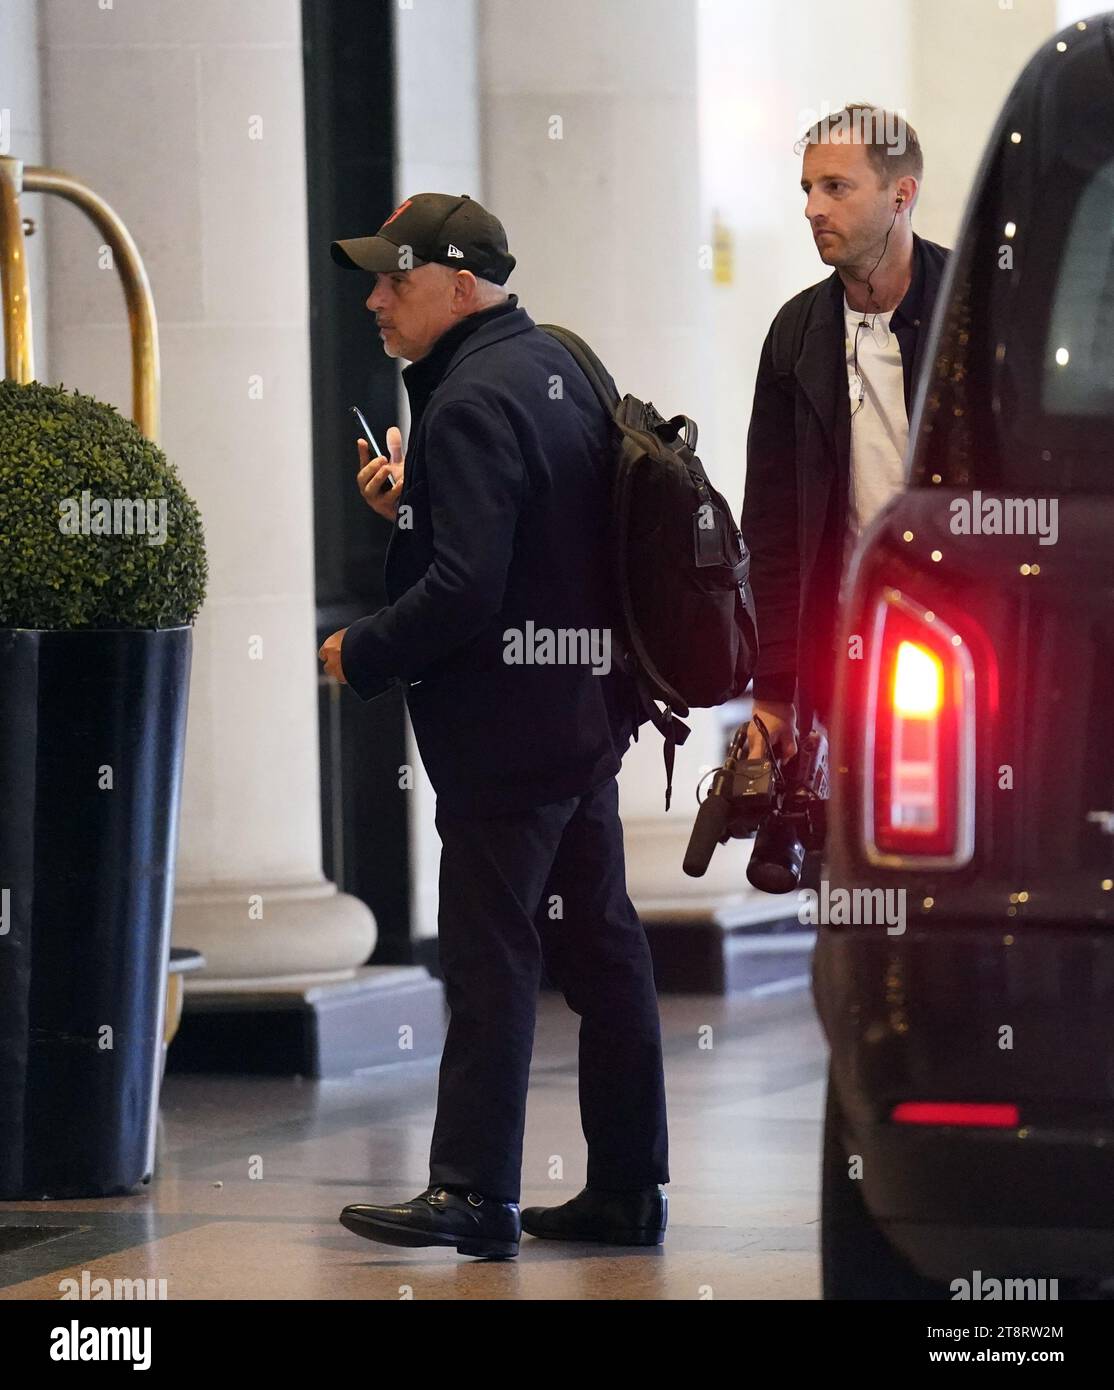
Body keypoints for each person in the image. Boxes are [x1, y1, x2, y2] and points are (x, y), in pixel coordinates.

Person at [318, 193, 668, 1259]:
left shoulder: (468, 402)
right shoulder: (561, 366)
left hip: (506, 737)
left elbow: (469, 588)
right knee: (601, 948)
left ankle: (473, 1188)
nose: (376, 299)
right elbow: (547, 533)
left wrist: (362, 651)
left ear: (460, 285)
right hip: (583, 715)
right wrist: (410, 506)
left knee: (489, 955)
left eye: (396, 279)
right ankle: (624, 1188)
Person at [740, 105, 950, 764]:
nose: (812, 208)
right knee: (848, 857)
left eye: (836, 187)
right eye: (807, 189)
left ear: (901, 195)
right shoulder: (796, 333)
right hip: (846, 653)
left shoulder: (976, 309)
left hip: (969, 643)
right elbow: (771, 529)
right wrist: (772, 693)